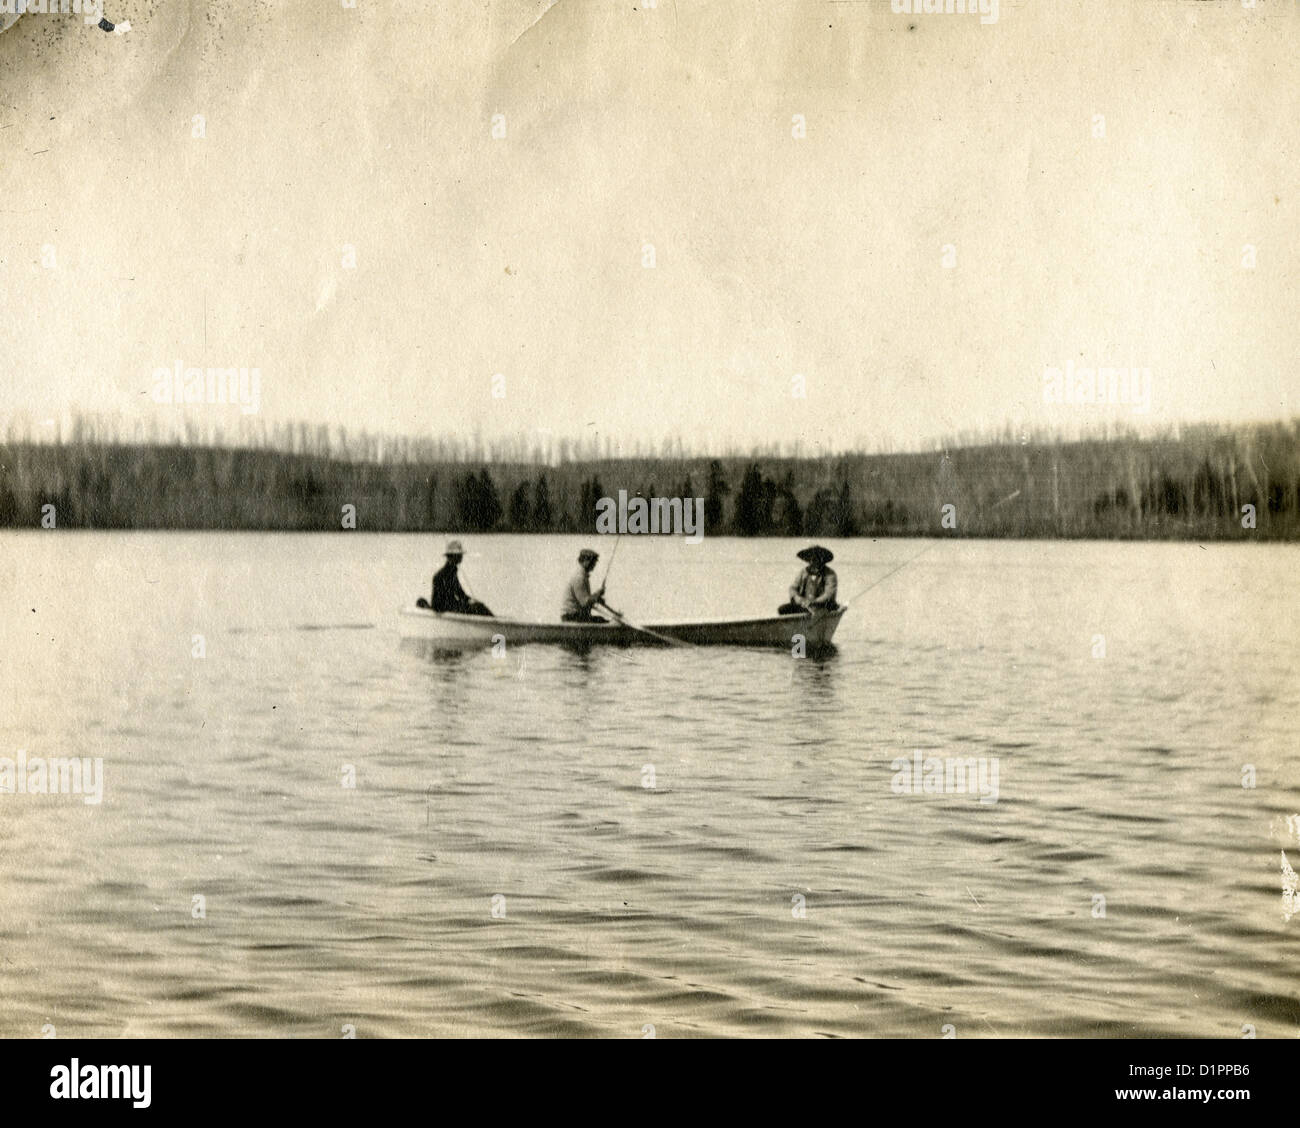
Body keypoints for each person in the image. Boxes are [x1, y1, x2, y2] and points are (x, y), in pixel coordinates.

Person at [421, 539, 493, 616]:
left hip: (450, 606)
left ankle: (494, 621)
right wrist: (467, 603)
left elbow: (459, 593)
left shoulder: (452, 571)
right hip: (443, 608)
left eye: (460, 555)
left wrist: (470, 600)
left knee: (479, 606)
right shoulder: (443, 574)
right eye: (459, 555)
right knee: (478, 607)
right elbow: (449, 597)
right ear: (451, 557)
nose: (461, 557)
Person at [778, 545, 838, 615]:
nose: (812, 562)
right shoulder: (803, 572)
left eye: (816, 559)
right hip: (805, 605)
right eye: (810, 559)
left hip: (822, 606)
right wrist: (798, 598)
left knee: (813, 611)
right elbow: (793, 588)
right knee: (782, 609)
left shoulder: (830, 574)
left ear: (822, 560)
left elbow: (829, 594)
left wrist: (814, 602)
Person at [561, 548, 608, 622]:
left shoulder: (583, 577)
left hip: (575, 616)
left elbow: (585, 600)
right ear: (585, 561)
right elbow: (585, 603)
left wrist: (597, 598)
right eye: (593, 562)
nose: (594, 565)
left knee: (601, 620)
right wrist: (597, 594)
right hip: (571, 617)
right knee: (602, 621)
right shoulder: (579, 578)